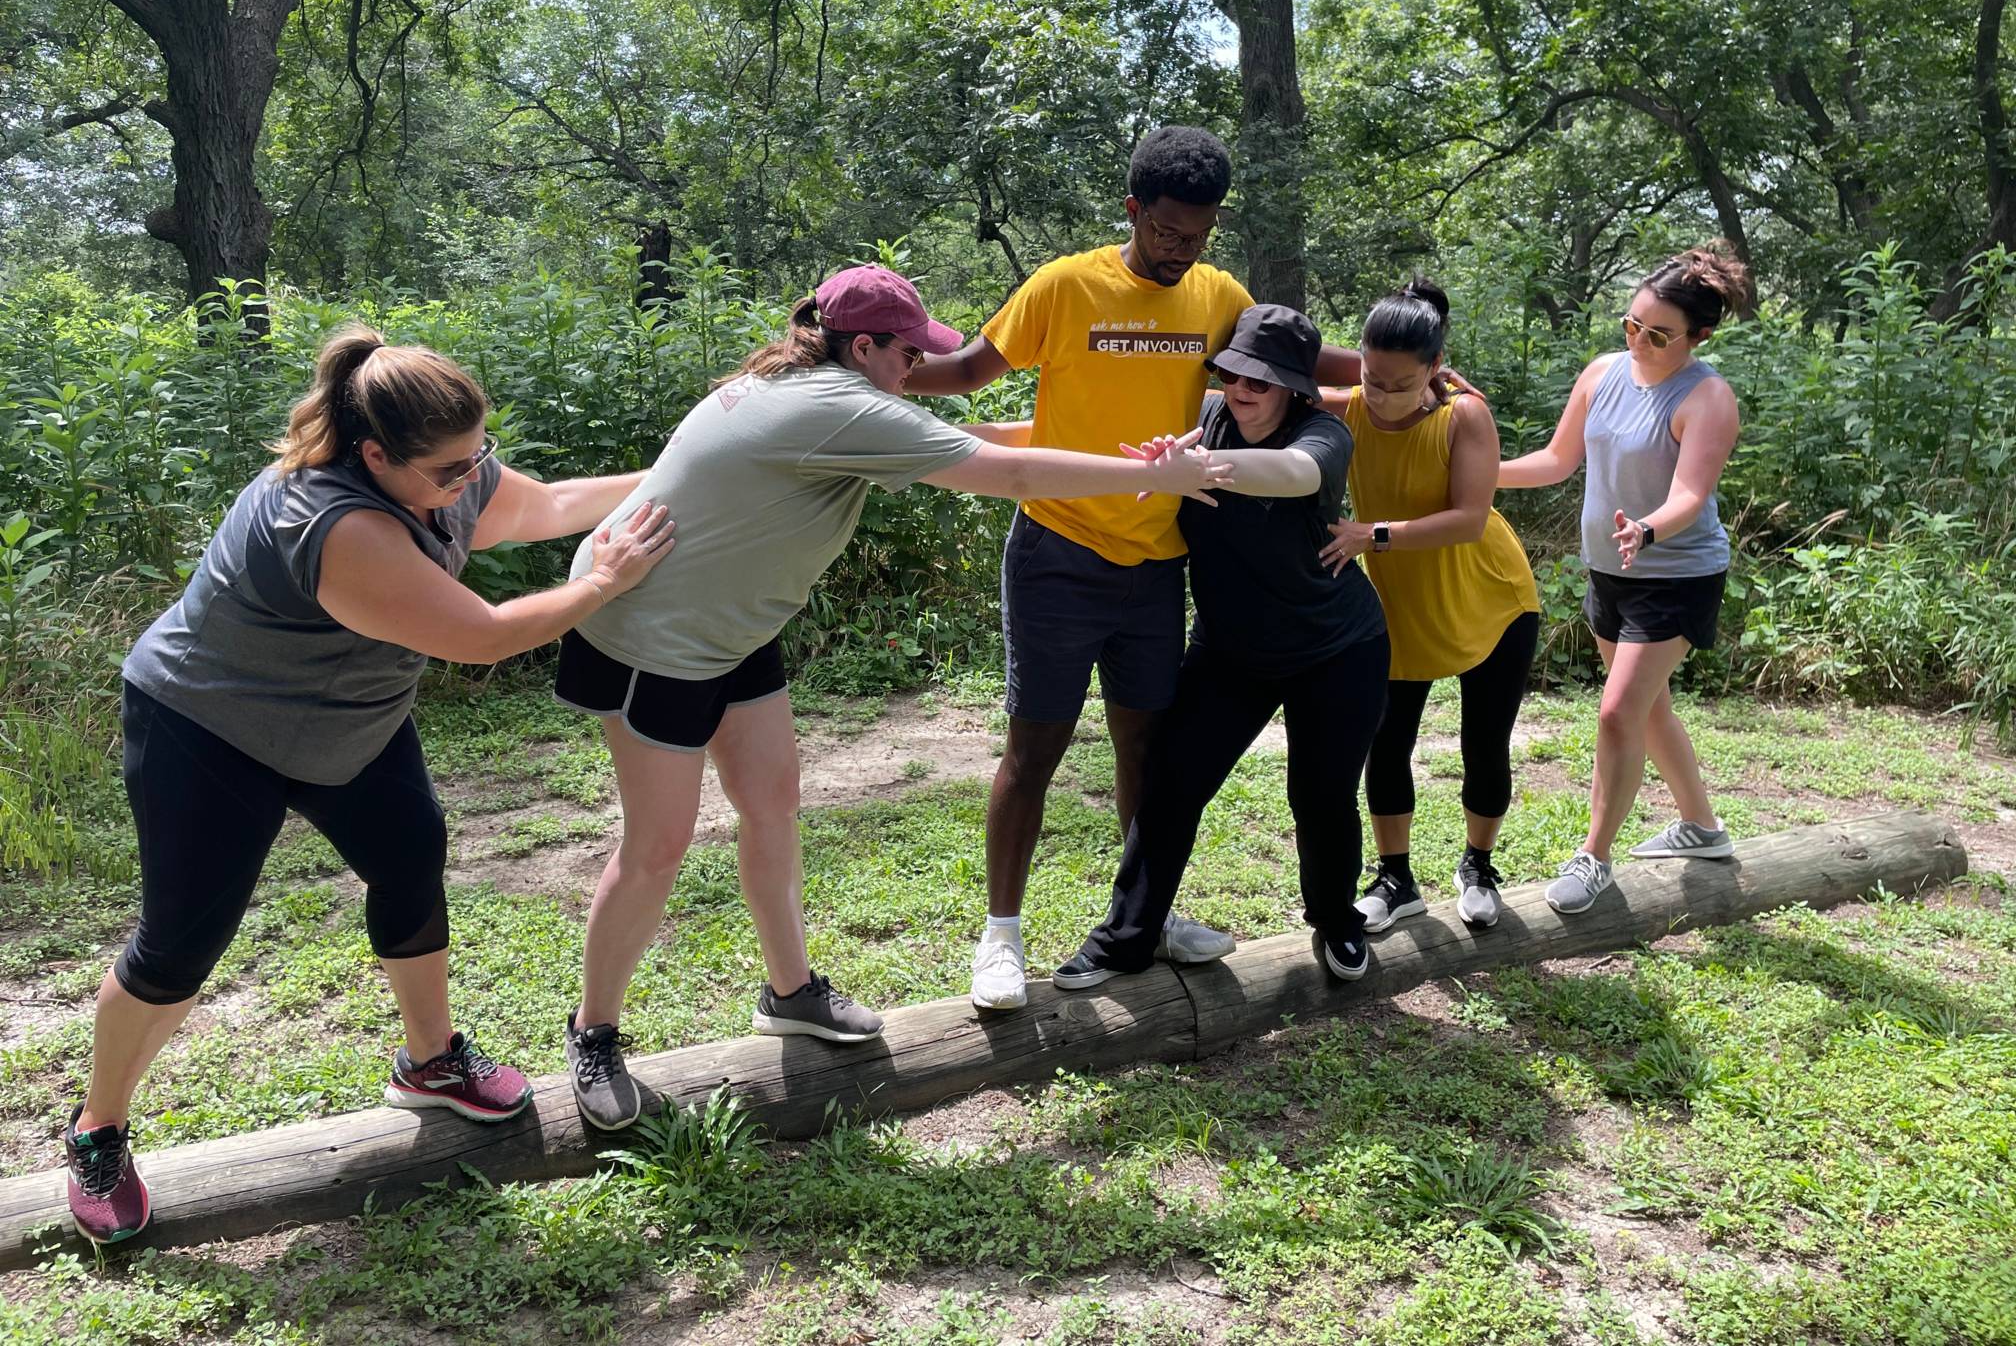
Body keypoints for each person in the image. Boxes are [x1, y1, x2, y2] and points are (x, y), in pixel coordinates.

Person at [557, 264, 1231, 1132]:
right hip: (657, 635)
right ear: (862, 345)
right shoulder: (834, 405)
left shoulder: (806, 382)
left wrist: (1125, 453)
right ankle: (594, 1033)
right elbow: (1008, 476)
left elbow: (989, 437)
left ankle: (791, 991)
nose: (920, 366)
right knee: (657, 848)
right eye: (909, 352)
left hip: (732, 629)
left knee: (772, 806)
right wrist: (1156, 479)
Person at [66, 325, 676, 1245]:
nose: (472, 481)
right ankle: (97, 1128)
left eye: (479, 458)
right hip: (211, 727)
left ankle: (429, 1060)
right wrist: (602, 582)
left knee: (410, 857)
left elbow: (550, 504)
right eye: (451, 471)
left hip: (350, 719)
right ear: (375, 454)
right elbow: (483, 633)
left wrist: (682, 475)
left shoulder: (443, 471)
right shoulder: (332, 521)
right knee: (179, 944)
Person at [906, 127, 1369, 1011]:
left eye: (1196, 238)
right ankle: (1000, 938)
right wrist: (873, 374)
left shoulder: (1217, 294)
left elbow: (1292, 355)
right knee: (1033, 749)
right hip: (1057, 549)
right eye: (1165, 233)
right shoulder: (1067, 284)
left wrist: (1397, 373)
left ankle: (1147, 916)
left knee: (1147, 751)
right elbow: (967, 370)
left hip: (1158, 563)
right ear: (1133, 210)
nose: (1179, 251)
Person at [1052, 304, 1391, 989]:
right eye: (1231, 372)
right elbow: (1088, 428)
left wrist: (1200, 467)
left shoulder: (1322, 433)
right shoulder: (1200, 418)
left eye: (1259, 382)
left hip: (1338, 648)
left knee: (1321, 795)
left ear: (1294, 388)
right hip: (1231, 651)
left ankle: (1336, 919)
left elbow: (1295, 474)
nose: (1240, 389)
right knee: (1170, 784)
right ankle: (1126, 939)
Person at [1497, 245, 1751, 913]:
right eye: (1631, 325)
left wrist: (1647, 528)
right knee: (1647, 707)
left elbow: (1690, 494)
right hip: (1610, 572)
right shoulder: (1604, 373)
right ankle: (1702, 827)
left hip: (1675, 574)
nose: (1640, 341)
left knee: (1616, 713)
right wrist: (1478, 474)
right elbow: (1556, 460)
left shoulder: (1708, 397)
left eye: (1659, 334)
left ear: (1699, 336)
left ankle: (1594, 857)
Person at [1316, 280, 1541, 932]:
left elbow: (1469, 519)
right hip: (1401, 604)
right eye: (1370, 376)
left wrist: (1370, 535)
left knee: (1484, 743)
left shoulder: (1463, 416)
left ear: (1436, 372)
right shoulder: (1349, 407)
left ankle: (1478, 865)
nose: (1381, 395)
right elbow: (1247, 384)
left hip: (1491, 598)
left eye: (1399, 383)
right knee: (1385, 746)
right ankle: (1395, 879)